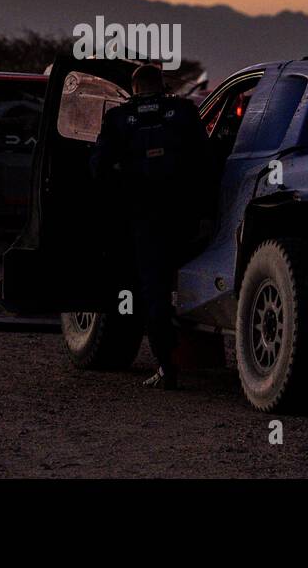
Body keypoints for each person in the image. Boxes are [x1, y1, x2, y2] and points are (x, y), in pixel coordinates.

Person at [90, 64, 207, 390]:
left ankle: (167, 365)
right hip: (187, 217)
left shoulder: (118, 118)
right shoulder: (184, 111)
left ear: (134, 88)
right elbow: (206, 158)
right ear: (162, 85)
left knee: (154, 289)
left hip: (144, 218)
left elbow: (98, 167)